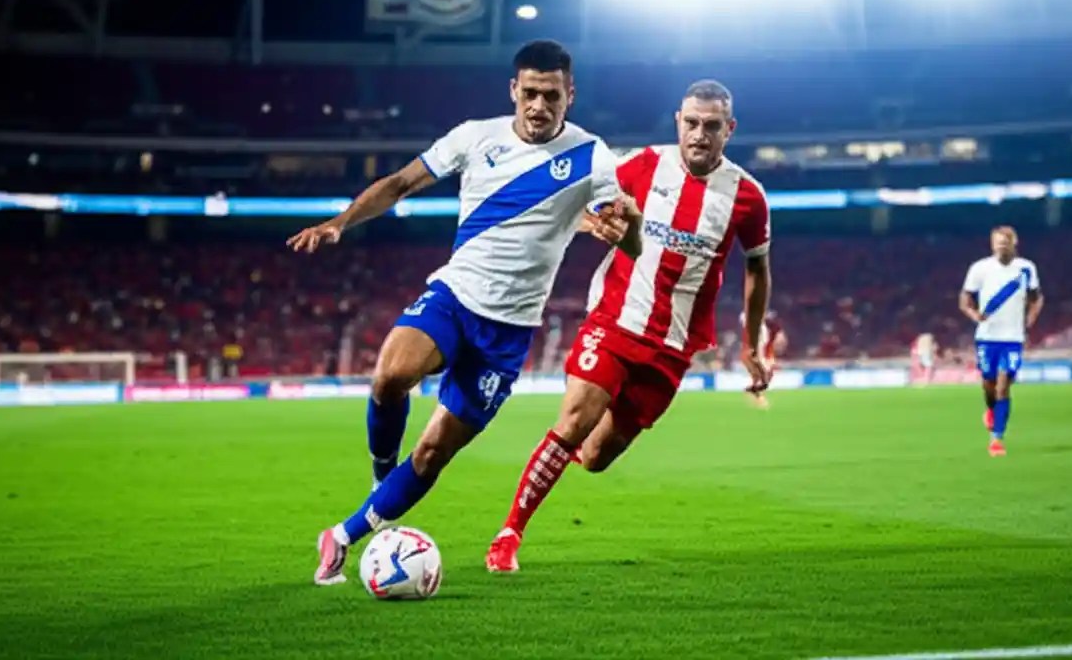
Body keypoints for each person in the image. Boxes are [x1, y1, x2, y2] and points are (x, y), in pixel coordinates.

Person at [287, 39, 643, 585]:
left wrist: (624, 226)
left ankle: (340, 537)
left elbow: (620, 229)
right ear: (513, 91)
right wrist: (341, 221)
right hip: (455, 296)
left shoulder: (593, 156)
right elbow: (401, 183)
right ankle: (382, 478)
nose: (539, 105)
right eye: (530, 93)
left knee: (432, 453)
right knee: (390, 376)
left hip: (508, 334)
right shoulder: (474, 136)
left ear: (570, 95)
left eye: (551, 95)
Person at [485, 79, 772, 573]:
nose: (699, 135)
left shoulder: (747, 197)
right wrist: (593, 221)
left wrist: (751, 343)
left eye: (711, 126)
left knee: (595, 457)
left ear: (730, 129)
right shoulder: (644, 165)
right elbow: (576, 203)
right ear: (677, 122)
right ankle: (509, 534)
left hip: (672, 347)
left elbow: (757, 268)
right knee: (574, 421)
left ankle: (558, 457)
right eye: (691, 123)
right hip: (615, 321)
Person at [958, 225, 1043, 457]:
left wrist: (1032, 316)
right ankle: (991, 410)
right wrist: (975, 315)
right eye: (997, 242)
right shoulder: (980, 268)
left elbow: (1036, 298)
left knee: (1003, 386)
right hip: (987, 337)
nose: (1001, 246)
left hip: (1013, 338)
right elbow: (964, 299)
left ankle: (996, 439)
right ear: (992, 244)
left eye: (1005, 242)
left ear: (1014, 243)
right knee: (989, 384)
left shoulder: (1026, 268)